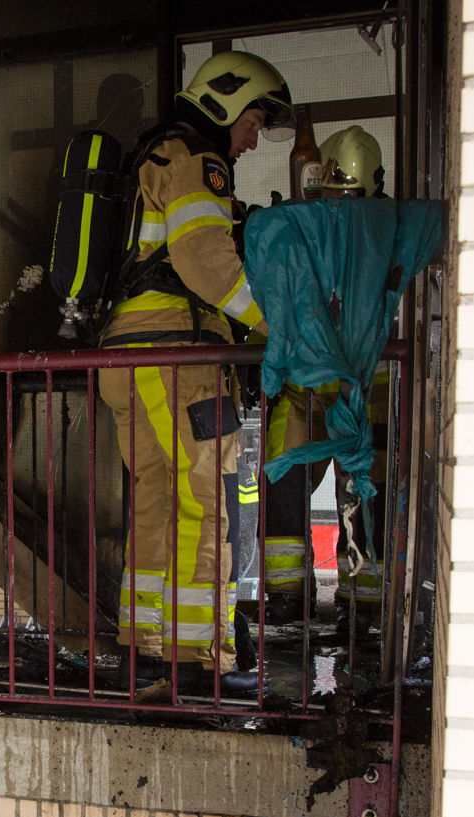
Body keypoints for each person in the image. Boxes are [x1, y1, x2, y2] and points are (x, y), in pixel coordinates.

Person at [95, 50, 293, 688]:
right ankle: (204, 660)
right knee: (208, 500)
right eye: (253, 120)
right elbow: (206, 263)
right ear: (224, 100)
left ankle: (147, 646)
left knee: (156, 500)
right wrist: (280, 326)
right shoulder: (195, 161)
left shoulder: (153, 155)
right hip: (175, 354)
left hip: (127, 356)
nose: (252, 137)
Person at [258, 125, 391, 634]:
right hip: (308, 389)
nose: (337, 204)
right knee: (284, 482)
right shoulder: (309, 230)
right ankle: (288, 602)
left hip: (364, 391)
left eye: (345, 195)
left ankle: (363, 609)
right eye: (331, 195)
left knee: (365, 494)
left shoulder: (382, 233)